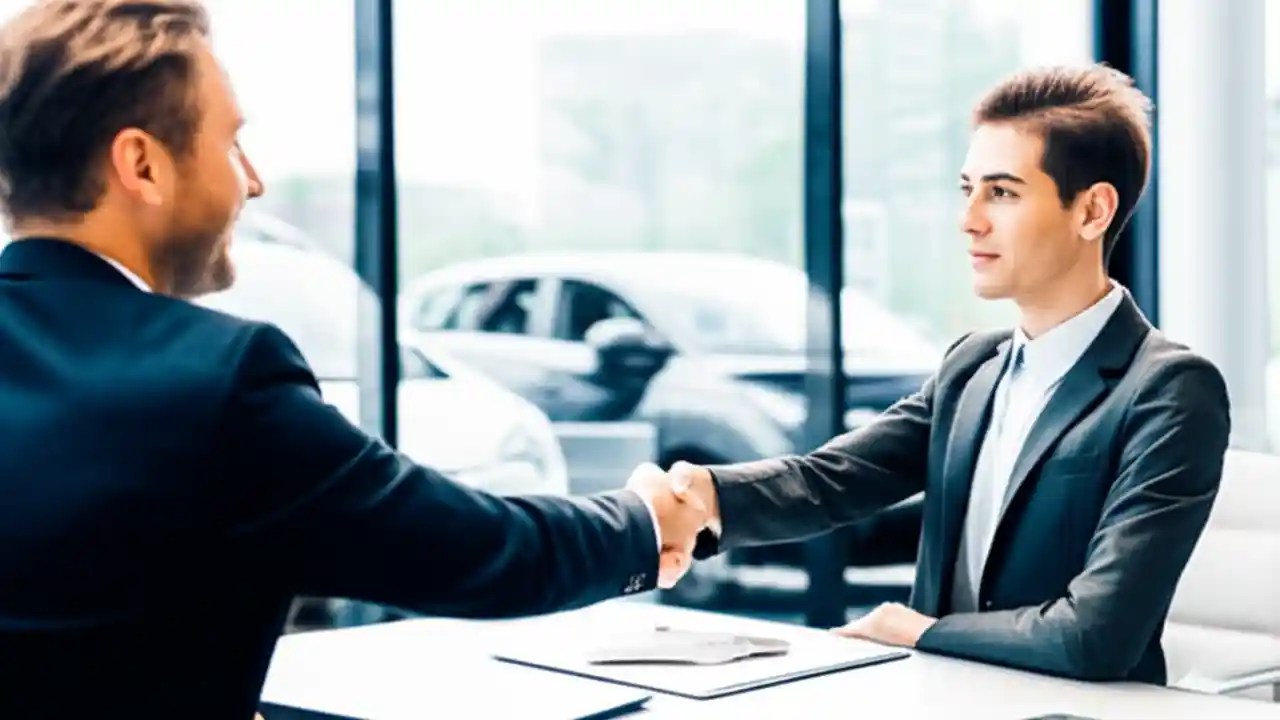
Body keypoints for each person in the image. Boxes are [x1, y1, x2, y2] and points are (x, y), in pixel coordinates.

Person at [0, 1, 705, 717]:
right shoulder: (216, 380)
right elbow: (483, 551)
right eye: (231, 143)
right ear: (142, 164)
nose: (253, 181)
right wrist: (648, 522)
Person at [660, 64, 1230, 685]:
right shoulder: (972, 366)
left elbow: (1097, 635)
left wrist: (917, 632)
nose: (970, 219)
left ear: (1092, 211)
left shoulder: (1169, 391)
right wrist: (702, 494)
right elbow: (835, 480)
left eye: (1003, 193)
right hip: (941, 696)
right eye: (968, 189)